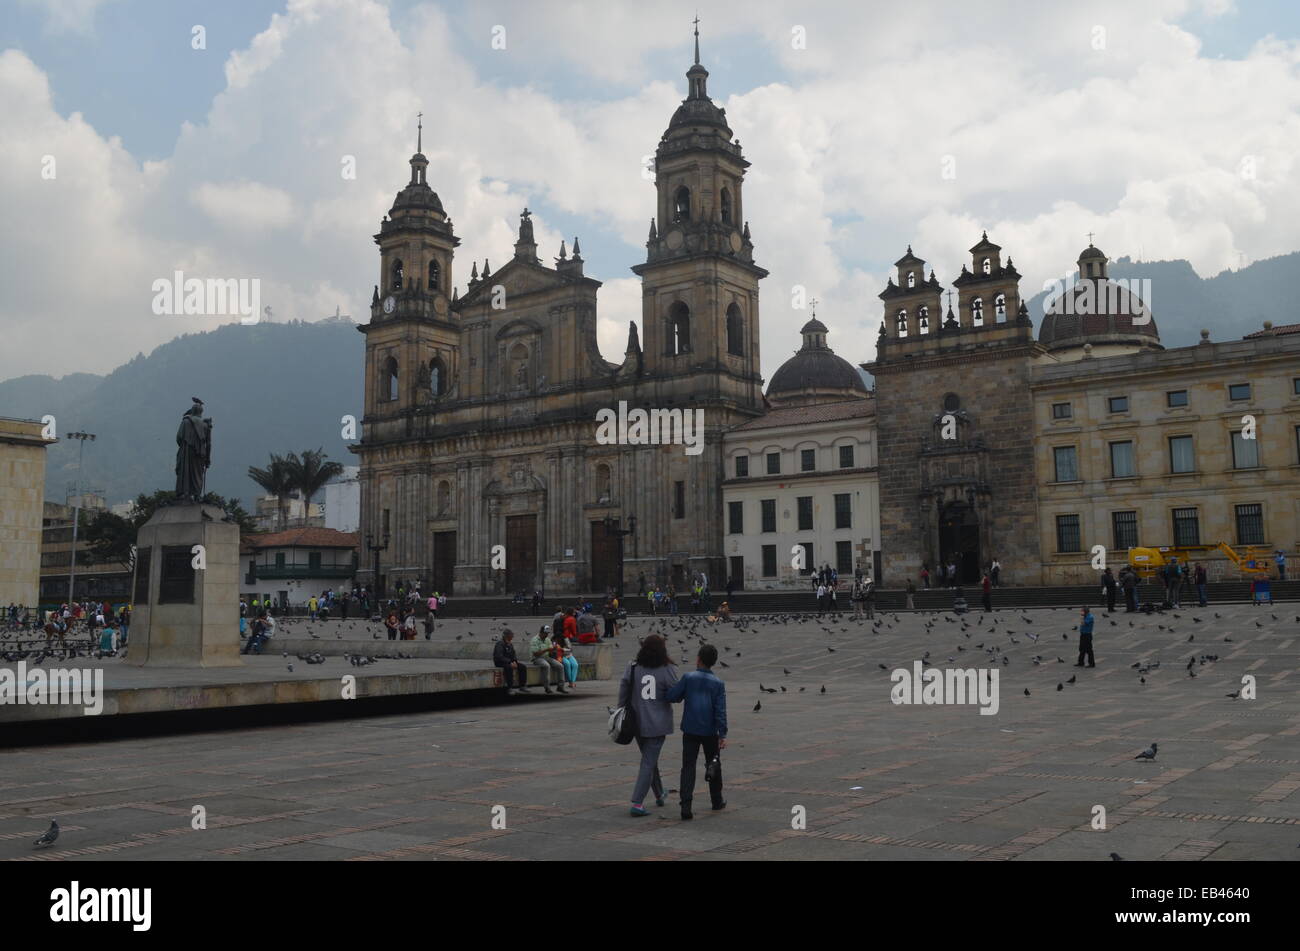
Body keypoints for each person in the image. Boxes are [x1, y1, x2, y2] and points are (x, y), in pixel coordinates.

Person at [618, 634, 678, 817]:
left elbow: (624, 686)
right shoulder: (667, 668)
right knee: (648, 761)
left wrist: (620, 708)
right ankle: (637, 802)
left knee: (649, 759)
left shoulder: (633, 667)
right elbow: (674, 694)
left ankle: (660, 793)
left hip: (636, 722)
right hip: (657, 723)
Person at [667, 643, 728, 820]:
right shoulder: (718, 683)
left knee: (688, 767)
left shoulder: (688, 678)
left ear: (698, 659)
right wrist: (722, 734)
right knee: (714, 764)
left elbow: (673, 696)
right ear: (713, 662)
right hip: (710, 731)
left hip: (690, 729)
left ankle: (686, 806)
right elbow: (720, 710)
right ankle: (716, 800)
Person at [529, 625, 566, 694]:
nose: (547, 635)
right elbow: (535, 654)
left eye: (548, 633)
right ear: (541, 632)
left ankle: (560, 687)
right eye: (546, 633)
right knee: (546, 666)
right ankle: (547, 687)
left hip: (546, 657)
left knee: (560, 666)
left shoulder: (547, 639)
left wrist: (553, 649)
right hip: (537, 658)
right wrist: (546, 649)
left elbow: (550, 650)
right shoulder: (535, 640)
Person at [493, 629, 529, 695]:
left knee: (522, 667)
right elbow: (499, 656)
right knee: (509, 668)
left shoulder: (510, 644)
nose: (512, 636)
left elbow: (513, 654)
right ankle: (510, 688)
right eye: (511, 635)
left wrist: (514, 661)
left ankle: (522, 686)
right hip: (500, 662)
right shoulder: (500, 644)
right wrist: (509, 662)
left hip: (509, 661)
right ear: (507, 636)